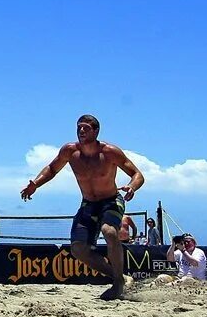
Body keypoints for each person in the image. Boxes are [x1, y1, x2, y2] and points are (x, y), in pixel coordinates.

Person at [20, 114, 145, 300]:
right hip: (88, 204)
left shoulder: (109, 152)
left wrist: (132, 186)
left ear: (96, 131)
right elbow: (52, 168)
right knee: (78, 249)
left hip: (111, 200)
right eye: (79, 127)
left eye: (86, 127)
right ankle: (119, 277)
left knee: (109, 232)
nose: (81, 131)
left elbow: (137, 174)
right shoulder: (70, 151)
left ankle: (118, 283)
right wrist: (35, 184)